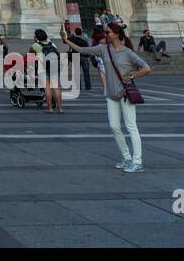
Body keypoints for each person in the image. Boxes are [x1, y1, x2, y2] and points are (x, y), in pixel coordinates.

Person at [61, 22, 150, 171]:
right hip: (111, 93)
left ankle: (137, 161)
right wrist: (66, 40)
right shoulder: (103, 49)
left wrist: (132, 75)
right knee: (114, 126)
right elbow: (83, 50)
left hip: (125, 94)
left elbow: (146, 68)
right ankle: (126, 157)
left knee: (131, 126)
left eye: (107, 32)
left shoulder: (127, 52)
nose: (105, 35)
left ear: (116, 34)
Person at [31, 29, 64, 113]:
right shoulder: (53, 44)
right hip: (53, 68)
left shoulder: (36, 45)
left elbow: (30, 51)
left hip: (42, 69)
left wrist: (35, 41)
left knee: (47, 89)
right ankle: (60, 108)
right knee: (56, 88)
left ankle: (50, 109)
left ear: (37, 37)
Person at [67, 26, 93, 91]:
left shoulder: (72, 39)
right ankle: (88, 87)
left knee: (76, 72)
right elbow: (88, 48)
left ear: (75, 33)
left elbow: (65, 41)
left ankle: (78, 86)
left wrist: (71, 36)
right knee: (86, 72)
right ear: (81, 33)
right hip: (84, 57)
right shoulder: (84, 40)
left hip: (75, 57)